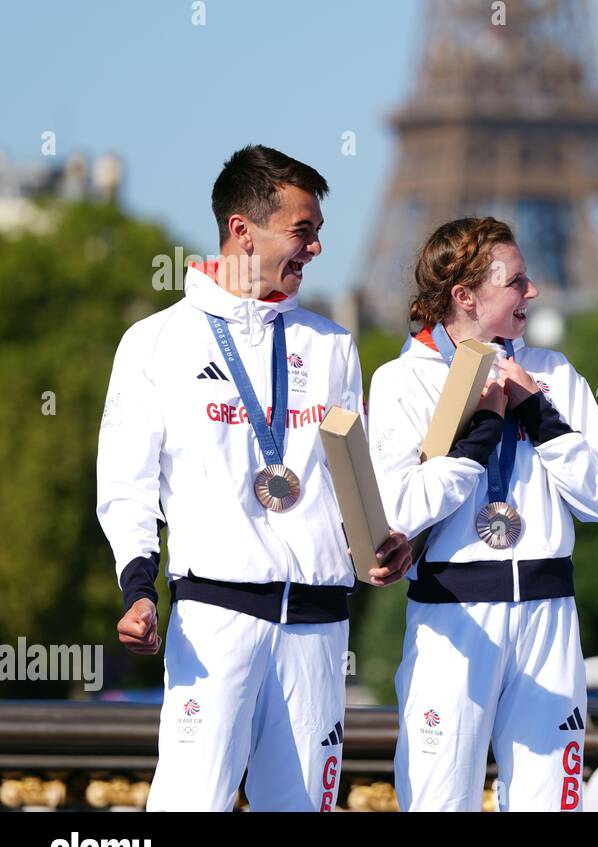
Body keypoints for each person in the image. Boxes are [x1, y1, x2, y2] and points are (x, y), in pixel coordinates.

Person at [96, 145, 412, 811]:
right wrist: (137, 587)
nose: (317, 248)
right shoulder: (155, 342)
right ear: (243, 230)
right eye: (303, 231)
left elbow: (351, 477)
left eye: (319, 231)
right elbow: (126, 486)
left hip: (319, 625)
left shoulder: (331, 344)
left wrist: (379, 542)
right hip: (216, 620)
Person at [368, 216, 598, 811]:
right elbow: (399, 509)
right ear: (465, 295)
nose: (533, 291)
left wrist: (540, 416)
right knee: (438, 800)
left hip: (548, 610)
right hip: (454, 616)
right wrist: (478, 438)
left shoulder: (553, 373)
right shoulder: (401, 380)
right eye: (516, 282)